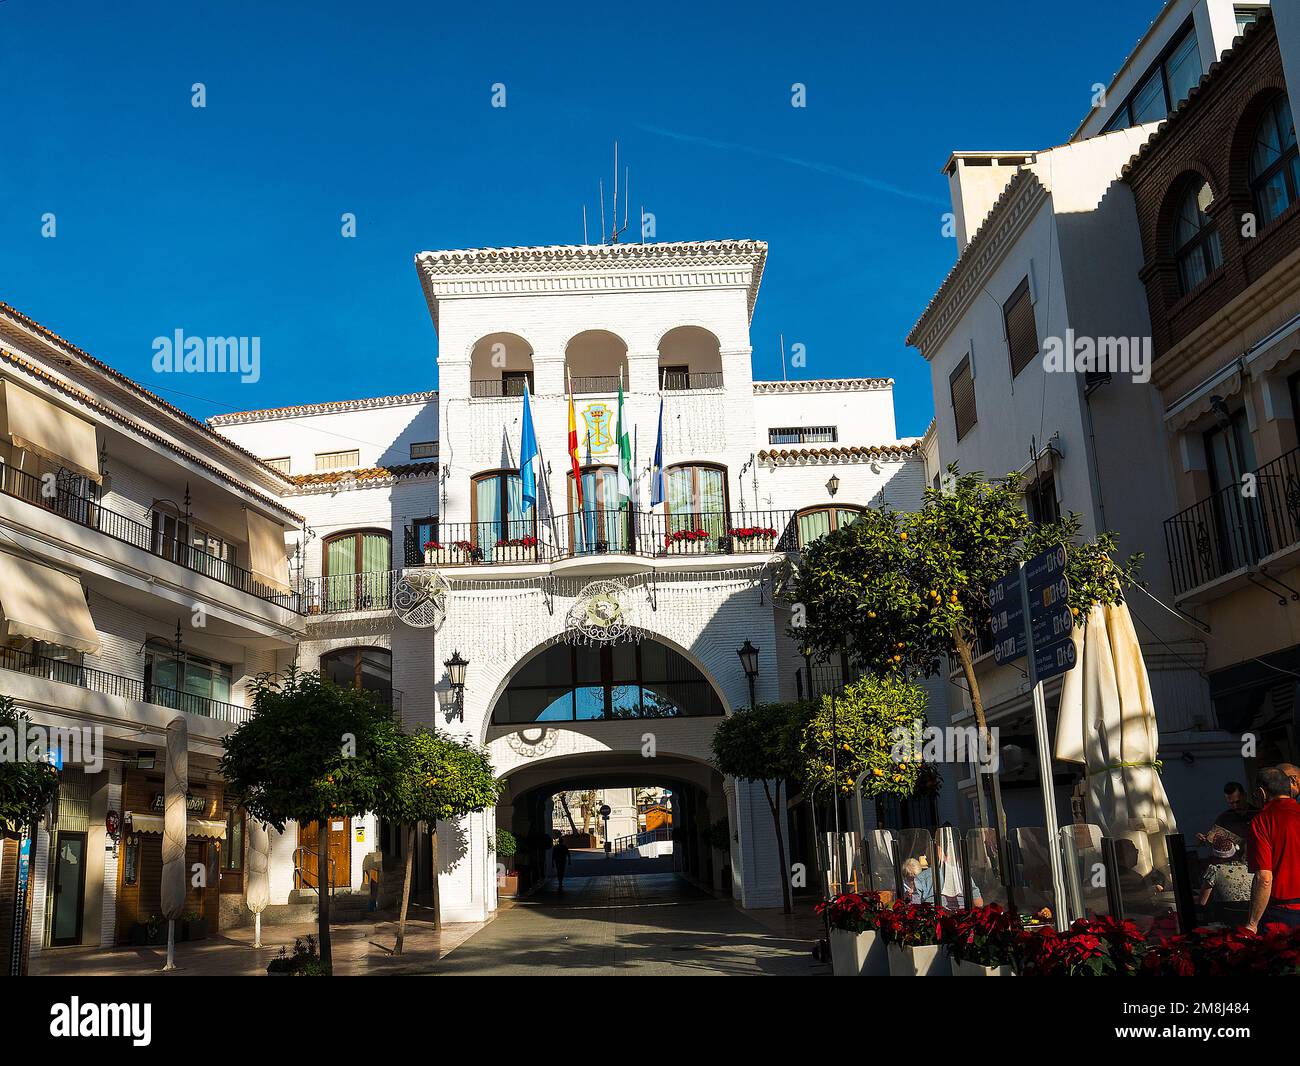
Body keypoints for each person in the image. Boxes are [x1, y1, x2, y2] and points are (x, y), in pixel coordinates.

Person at [1246, 767, 1300, 931]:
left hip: (1283, 914)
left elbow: (1264, 878)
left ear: (1262, 793)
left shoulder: (1262, 821)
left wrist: (1252, 923)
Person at [1196, 830, 1251, 927]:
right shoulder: (1248, 868)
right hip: (1249, 920)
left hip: (1225, 922)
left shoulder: (1214, 870)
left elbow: (1202, 902)